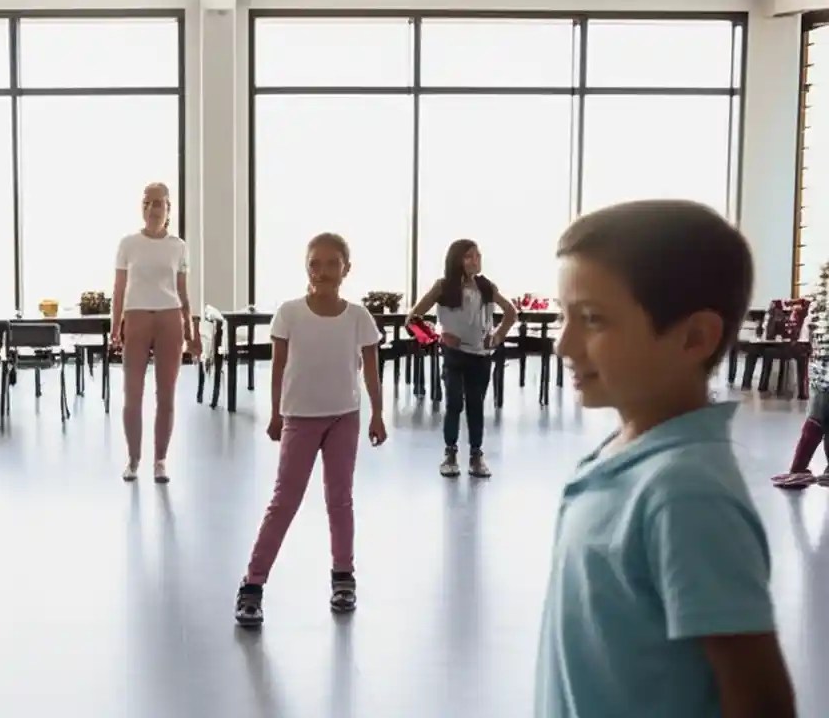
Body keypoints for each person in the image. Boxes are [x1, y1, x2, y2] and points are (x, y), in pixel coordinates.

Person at [536, 200, 796, 718]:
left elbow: (759, 696)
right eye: (563, 315)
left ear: (695, 337)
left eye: (591, 319)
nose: (563, 343)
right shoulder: (624, 457)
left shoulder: (685, 493)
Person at [234, 232, 386, 627]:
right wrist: (275, 414)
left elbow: (371, 369)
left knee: (340, 499)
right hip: (300, 418)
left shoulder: (358, 317)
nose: (323, 271)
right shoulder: (289, 313)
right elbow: (278, 366)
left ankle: (343, 577)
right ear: (306, 267)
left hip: (344, 418)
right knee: (284, 500)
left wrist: (378, 413)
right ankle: (252, 584)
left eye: (332, 263)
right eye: (315, 263)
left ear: (346, 269)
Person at [110, 182, 201, 484]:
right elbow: (119, 289)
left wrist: (191, 330)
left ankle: (160, 460)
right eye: (147, 203)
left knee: (167, 394)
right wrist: (114, 327)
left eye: (159, 203)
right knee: (132, 394)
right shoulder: (128, 244)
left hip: (169, 319)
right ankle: (134, 459)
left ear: (168, 209)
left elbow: (183, 292)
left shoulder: (178, 246)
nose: (152, 209)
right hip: (136, 319)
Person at [407, 239, 516, 478]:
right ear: (457, 259)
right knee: (454, 403)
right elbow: (412, 318)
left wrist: (497, 337)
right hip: (454, 355)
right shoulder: (443, 286)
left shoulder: (486, 287)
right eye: (469, 256)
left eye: (477, 255)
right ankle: (450, 453)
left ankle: (476, 456)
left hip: (481, 355)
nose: (475, 260)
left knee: (476, 406)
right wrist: (438, 336)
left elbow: (511, 313)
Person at [771, 259, 829, 489]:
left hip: (820, 360)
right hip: (823, 361)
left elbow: (814, 325)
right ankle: (799, 469)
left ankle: (799, 469)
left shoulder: (822, 289)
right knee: (819, 417)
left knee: (819, 417)